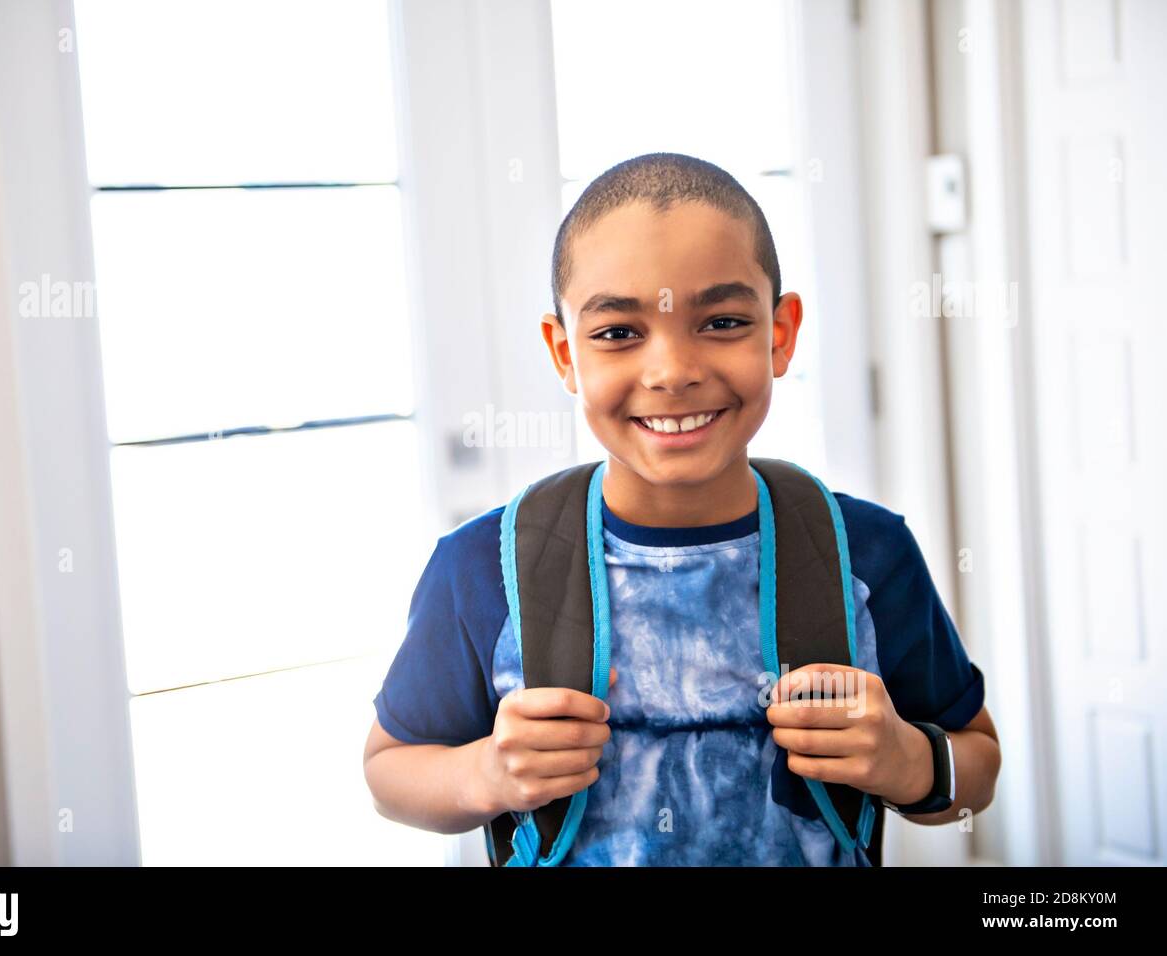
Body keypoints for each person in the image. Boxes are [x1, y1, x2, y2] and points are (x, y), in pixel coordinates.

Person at [363, 152, 1000, 865]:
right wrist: (484, 773)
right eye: (617, 333)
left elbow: (979, 764)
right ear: (564, 352)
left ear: (780, 334)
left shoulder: (868, 554)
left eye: (723, 321)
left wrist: (910, 762)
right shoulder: (485, 568)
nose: (672, 371)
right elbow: (390, 770)